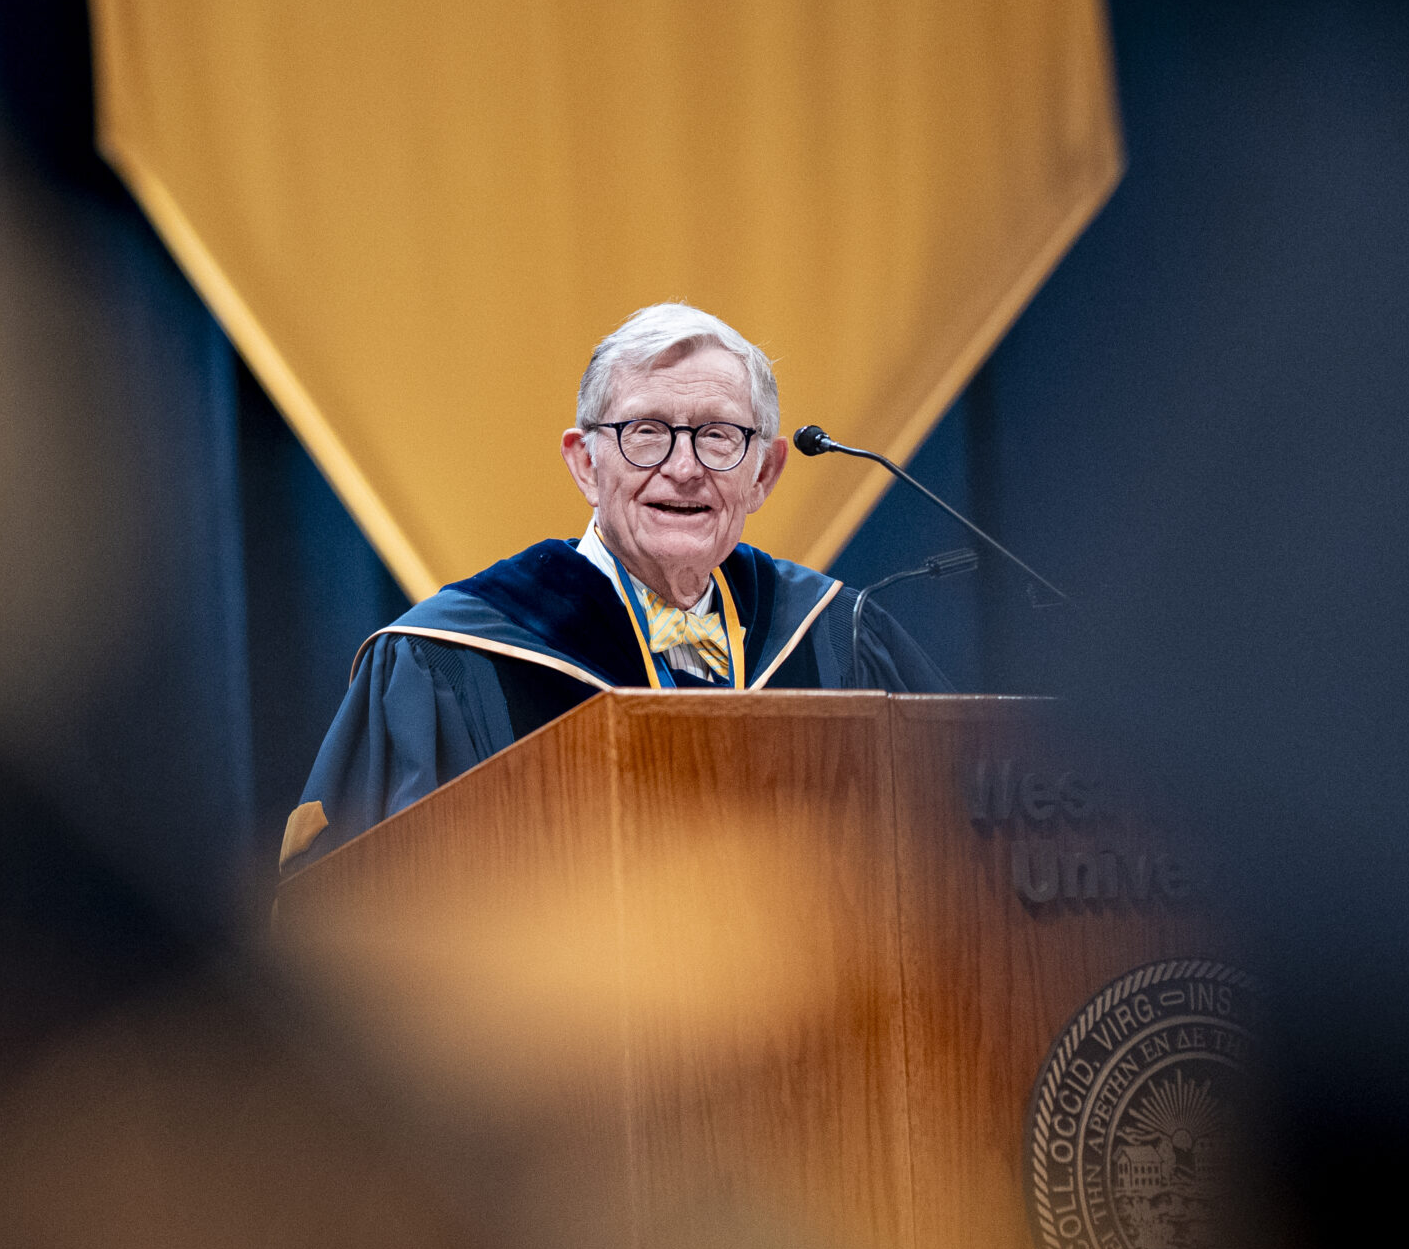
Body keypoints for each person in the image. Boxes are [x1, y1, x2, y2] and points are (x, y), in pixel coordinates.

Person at [280, 302, 951, 874]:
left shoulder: (840, 640)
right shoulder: (452, 658)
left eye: (719, 436)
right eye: (646, 434)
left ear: (764, 474)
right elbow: (359, 917)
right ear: (586, 462)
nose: (683, 469)